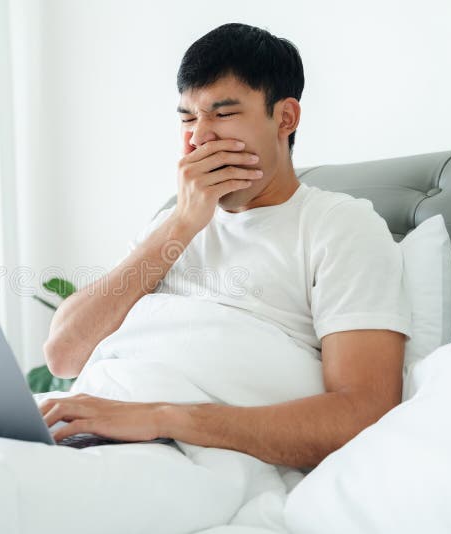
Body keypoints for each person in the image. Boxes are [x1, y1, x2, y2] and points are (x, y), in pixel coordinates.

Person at [39, 23, 411, 470]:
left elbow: (363, 412)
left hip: (174, 453)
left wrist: (162, 418)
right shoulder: (174, 224)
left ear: (285, 118)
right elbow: (63, 355)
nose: (198, 138)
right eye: (187, 118)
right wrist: (181, 225)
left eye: (223, 113)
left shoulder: (338, 226)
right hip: (80, 426)